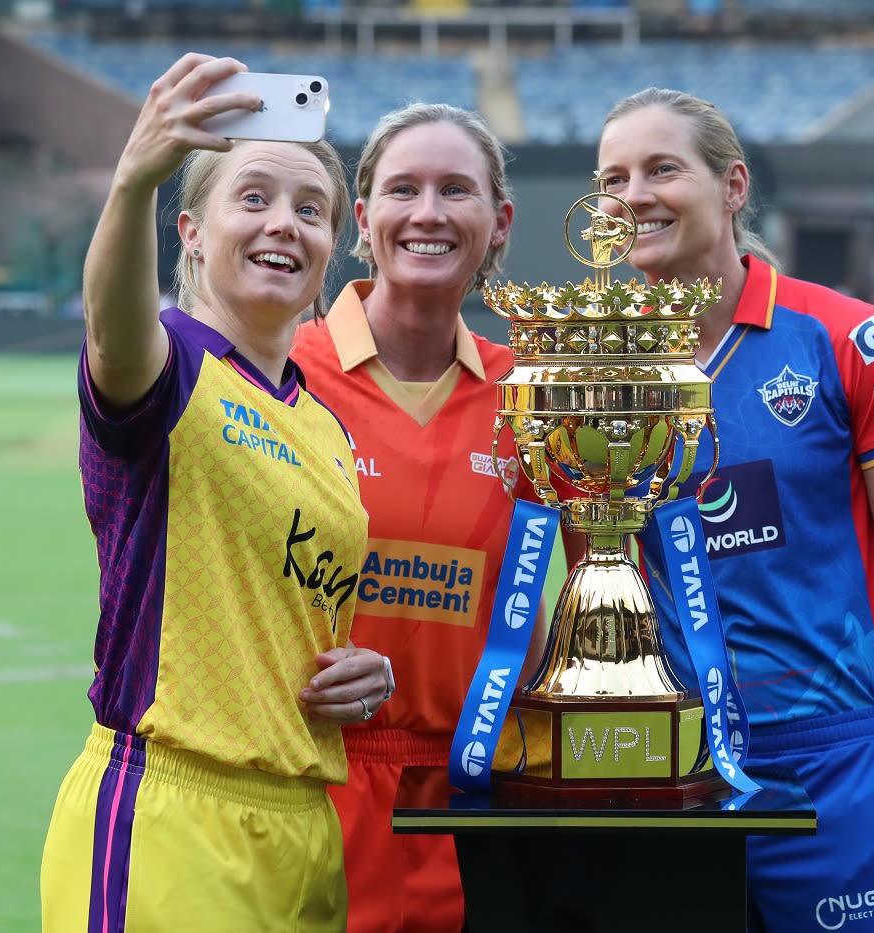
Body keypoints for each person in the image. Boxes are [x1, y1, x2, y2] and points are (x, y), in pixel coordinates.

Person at [595, 88, 874, 932]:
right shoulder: (594, 372)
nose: (635, 194)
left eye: (662, 169)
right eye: (612, 178)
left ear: (732, 187)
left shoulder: (847, 339)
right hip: (670, 771)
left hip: (839, 764)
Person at [40, 53, 393, 933]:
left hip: (304, 826)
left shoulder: (325, 427)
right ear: (191, 229)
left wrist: (363, 672)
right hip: (171, 813)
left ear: (328, 253)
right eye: (255, 198)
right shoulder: (171, 365)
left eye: (312, 209)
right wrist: (134, 182)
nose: (286, 223)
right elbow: (112, 335)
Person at [288, 103, 531, 933]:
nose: (428, 213)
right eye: (404, 189)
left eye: (455, 190)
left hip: (481, 803)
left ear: (497, 222)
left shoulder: (533, 394)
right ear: (364, 218)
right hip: (312, 788)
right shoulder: (283, 373)